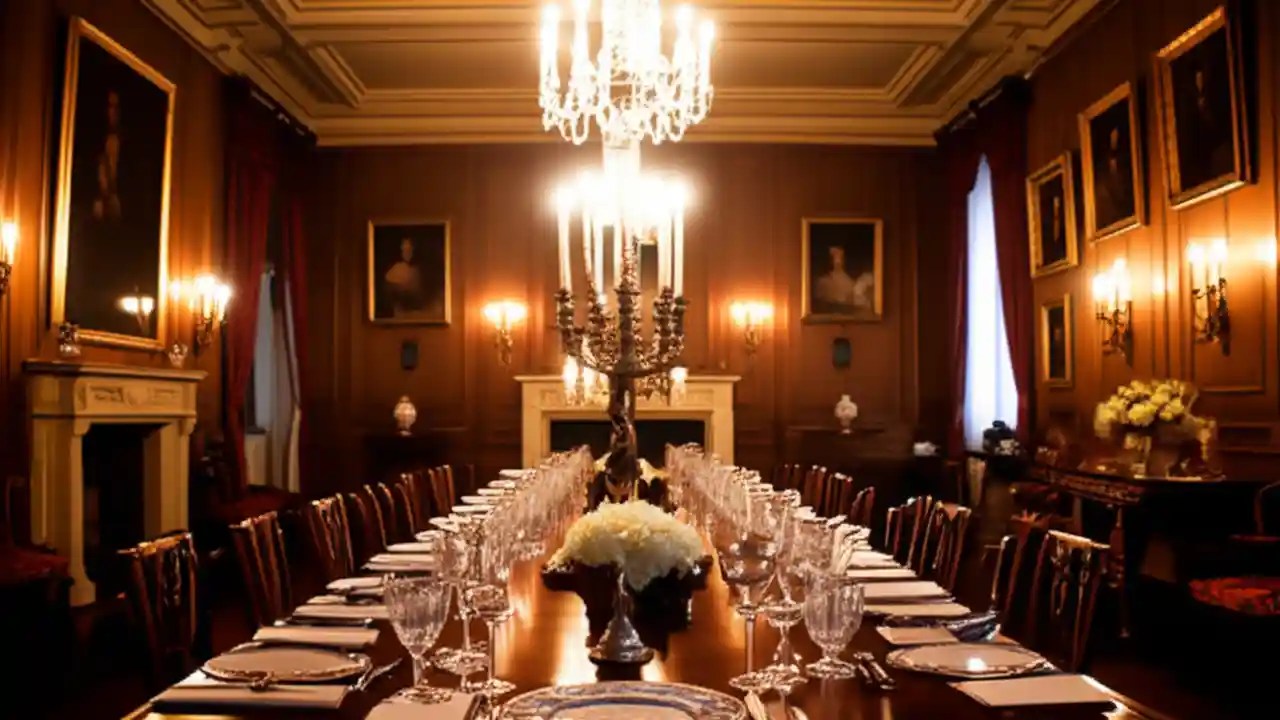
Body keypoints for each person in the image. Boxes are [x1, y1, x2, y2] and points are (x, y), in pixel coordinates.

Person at [814, 244, 874, 315]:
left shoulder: (850, 282)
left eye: (840, 257)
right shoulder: (821, 282)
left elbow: (854, 300)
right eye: (835, 257)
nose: (837, 260)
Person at [384, 237, 425, 317]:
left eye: (409, 249)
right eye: (405, 249)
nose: (407, 252)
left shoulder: (417, 270)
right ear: (401, 251)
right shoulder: (396, 269)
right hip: (401, 313)